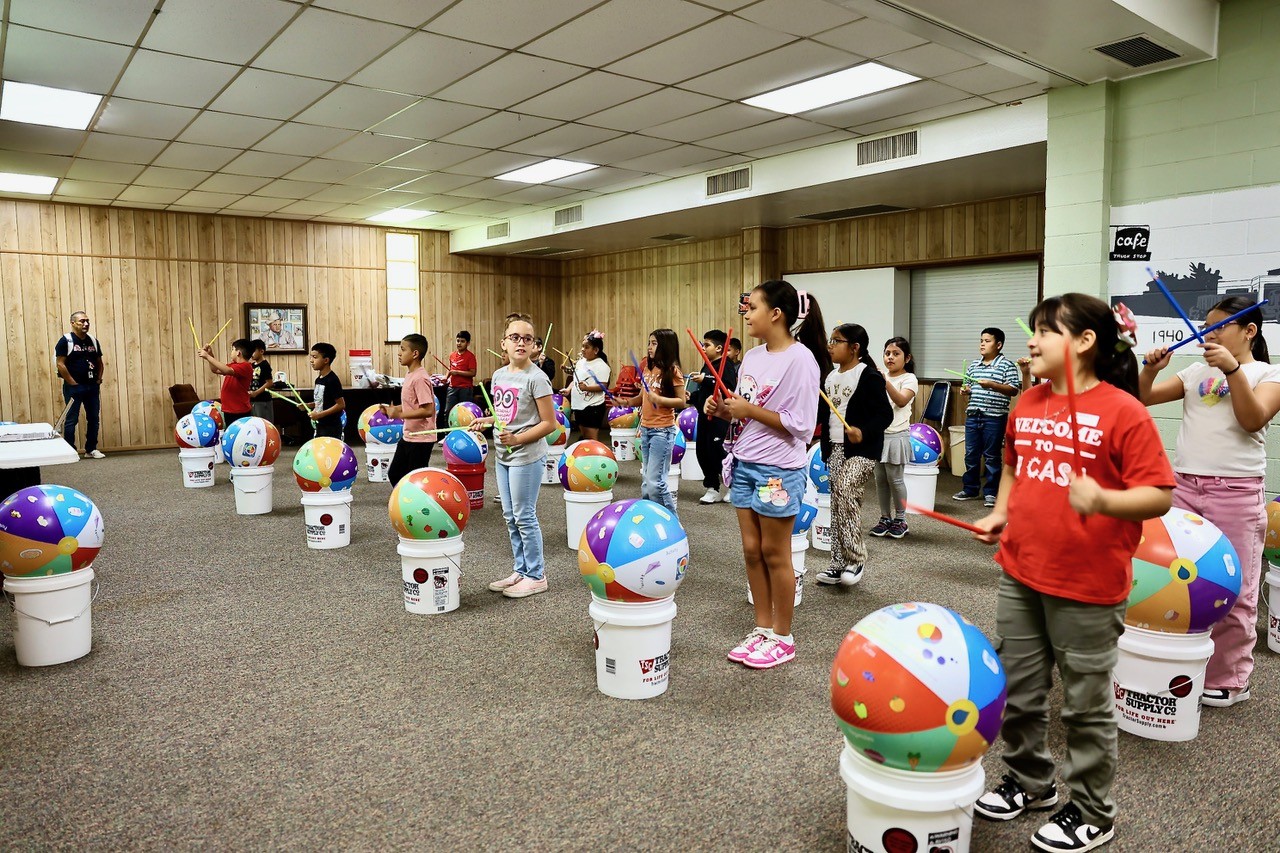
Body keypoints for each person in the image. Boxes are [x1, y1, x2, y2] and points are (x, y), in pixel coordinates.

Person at [971, 293, 1174, 853]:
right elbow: (1013, 465)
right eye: (1033, 330)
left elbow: (1159, 494)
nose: (1031, 341)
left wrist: (1104, 501)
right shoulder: (1027, 403)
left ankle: (1091, 810)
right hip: (1020, 569)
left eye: (1045, 331)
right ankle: (1030, 781)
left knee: (1084, 706)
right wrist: (1001, 512)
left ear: (1085, 342)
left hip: (1087, 583)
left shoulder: (1123, 411)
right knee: (1019, 690)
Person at [1139, 295, 1280, 708]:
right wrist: (1150, 369)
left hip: (1236, 492)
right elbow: (1142, 398)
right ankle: (1183, 664)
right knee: (1179, 579)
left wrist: (1233, 370)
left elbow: (1253, 419)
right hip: (1185, 486)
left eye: (1219, 327)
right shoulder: (1195, 371)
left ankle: (1231, 678)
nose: (1208, 335)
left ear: (1249, 331)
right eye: (1206, 327)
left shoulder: (1267, 373)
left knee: (1236, 588)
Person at [706, 281, 828, 670]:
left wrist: (748, 410)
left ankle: (783, 636)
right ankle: (761, 629)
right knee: (751, 551)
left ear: (776, 314)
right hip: (744, 463)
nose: (746, 313)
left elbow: (802, 425)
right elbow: (744, 412)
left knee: (776, 553)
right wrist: (723, 409)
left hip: (778, 470)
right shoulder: (754, 358)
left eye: (753, 307)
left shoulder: (801, 359)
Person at [474, 314, 557, 599]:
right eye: (515, 337)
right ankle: (521, 569)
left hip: (527, 455)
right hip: (503, 456)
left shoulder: (538, 378)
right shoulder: (499, 375)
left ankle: (536, 575)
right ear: (504, 344)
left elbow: (549, 424)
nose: (521, 343)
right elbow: (505, 416)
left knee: (524, 515)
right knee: (510, 516)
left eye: (527, 339)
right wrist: (487, 421)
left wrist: (518, 439)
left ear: (534, 346)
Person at [816, 323, 892, 586]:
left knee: (845, 490)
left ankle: (856, 559)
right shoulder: (829, 378)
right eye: (830, 340)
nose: (831, 345)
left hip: (862, 450)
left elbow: (885, 414)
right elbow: (823, 414)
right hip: (835, 448)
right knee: (838, 502)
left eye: (836, 341)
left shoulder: (868, 376)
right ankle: (838, 564)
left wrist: (863, 431)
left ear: (854, 347)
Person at [954, 327, 1021, 507]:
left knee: (992, 456)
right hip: (973, 414)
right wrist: (966, 391)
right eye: (981, 341)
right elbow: (969, 386)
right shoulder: (974, 365)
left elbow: (1013, 389)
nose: (982, 344)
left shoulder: (1007, 365)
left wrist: (992, 384)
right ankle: (970, 489)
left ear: (998, 345)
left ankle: (991, 492)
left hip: (995, 417)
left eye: (987, 341)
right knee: (971, 455)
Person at [620, 329, 685, 513]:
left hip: (662, 431)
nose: (649, 347)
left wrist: (660, 400)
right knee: (646, 482)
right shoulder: (648, 369)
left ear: (666, 346)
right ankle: (651, 518)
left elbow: (681, 401)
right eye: (649, 343)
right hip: (646, 429)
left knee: (655, 483)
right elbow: (641, 398)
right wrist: (625, 402)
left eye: (654, 343)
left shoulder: (672, 371)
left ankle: (672, 521)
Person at [871, 336, 919, 538]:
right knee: (880, 480)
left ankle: (901, 519)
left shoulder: (909, 379)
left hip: (897, 435)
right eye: (887, 353)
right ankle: (885, 518)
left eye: (896, 354)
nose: (890, 357)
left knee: (895, 479)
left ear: (907, 358)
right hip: (878, 436)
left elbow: (900, 401)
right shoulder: (880, 377)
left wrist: (884, 382)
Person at [688, 329, 737, 504]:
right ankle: (712, 487)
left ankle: (732, 485)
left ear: (718, 348)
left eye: (707, 345)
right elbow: (704, 392)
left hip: (720, 418)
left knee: (718, 451)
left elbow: (727, 387)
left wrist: (706, 379)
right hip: (704, 416)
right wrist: (691, 397)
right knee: (702, 451)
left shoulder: (727, 365)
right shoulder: (706, 366)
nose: (703, 348)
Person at [382, 334, 436, 486]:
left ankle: (417, 502)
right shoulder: (410, 374)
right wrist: (393, 409)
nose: (399, 353)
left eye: (403, 349)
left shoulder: (420, 378)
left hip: (421, 438)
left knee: (416, 481)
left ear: (415, 353)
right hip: (409, 435)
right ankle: (404, 500)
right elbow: (411, 404)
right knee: (395, 473)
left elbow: (428, 410)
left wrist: (399, 414)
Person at [55, 310, 106, 458]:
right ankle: (70, 451)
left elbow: (99, 362)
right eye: (82, 321)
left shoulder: (93, 341)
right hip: (74, 387)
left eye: (87, 321)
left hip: (92, 386)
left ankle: (91, 449)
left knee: (94, 418)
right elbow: (60, 364)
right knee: (72, 419)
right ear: (73, 323)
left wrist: (98, 379)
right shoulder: (66, 341)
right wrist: (73, 383)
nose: (86, 324)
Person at [562, 330, 611, 443]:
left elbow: (603, 386)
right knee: (585, 437)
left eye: (586, 347)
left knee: (592, 439)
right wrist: (568, 389)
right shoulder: (581, 362)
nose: (582, 349)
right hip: (578, 406)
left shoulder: (602, 365)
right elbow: (576, 380)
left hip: (592, 407)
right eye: (582, 346)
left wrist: (587, 388)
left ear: (596, 350)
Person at [197, 338, 255, 427]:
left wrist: (207, 356)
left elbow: (227, 370)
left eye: (232, 349)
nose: (231, 352)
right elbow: (215, 369)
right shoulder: (234, 365)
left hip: (239, 411)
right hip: (229, 410)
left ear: (238, 352)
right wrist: (210, 355)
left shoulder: (246, 366)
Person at [309, 342, 345, 440]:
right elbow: (323, 401)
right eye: (311, 357)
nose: (311, 360)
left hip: (331, 426)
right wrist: (309, 405)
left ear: (326, 360)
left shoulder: (332, 380)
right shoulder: (318, 379)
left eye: (315, 357)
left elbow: (340, 405)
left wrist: (319, 415)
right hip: (320, 425)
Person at [446, 330, 477, 413]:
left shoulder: (470, 356)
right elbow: (450, 369)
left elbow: (473, 373)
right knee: (448, 411)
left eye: (462, 341)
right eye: (458, 341)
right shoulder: (452, 355)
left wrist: (457, 372)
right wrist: (446, 378)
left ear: (468, 343)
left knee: (464, 412)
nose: (459, 343)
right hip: (452, 387)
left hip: (465, 388)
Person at [248, 340, 273, 422]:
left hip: (263, 400)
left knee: (263, 423)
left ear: (261, 351)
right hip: (252, 400)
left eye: (253, 351)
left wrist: (256, 392)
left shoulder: (265, 365)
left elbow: (269, 382)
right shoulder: (251, 365)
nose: (251, 354)